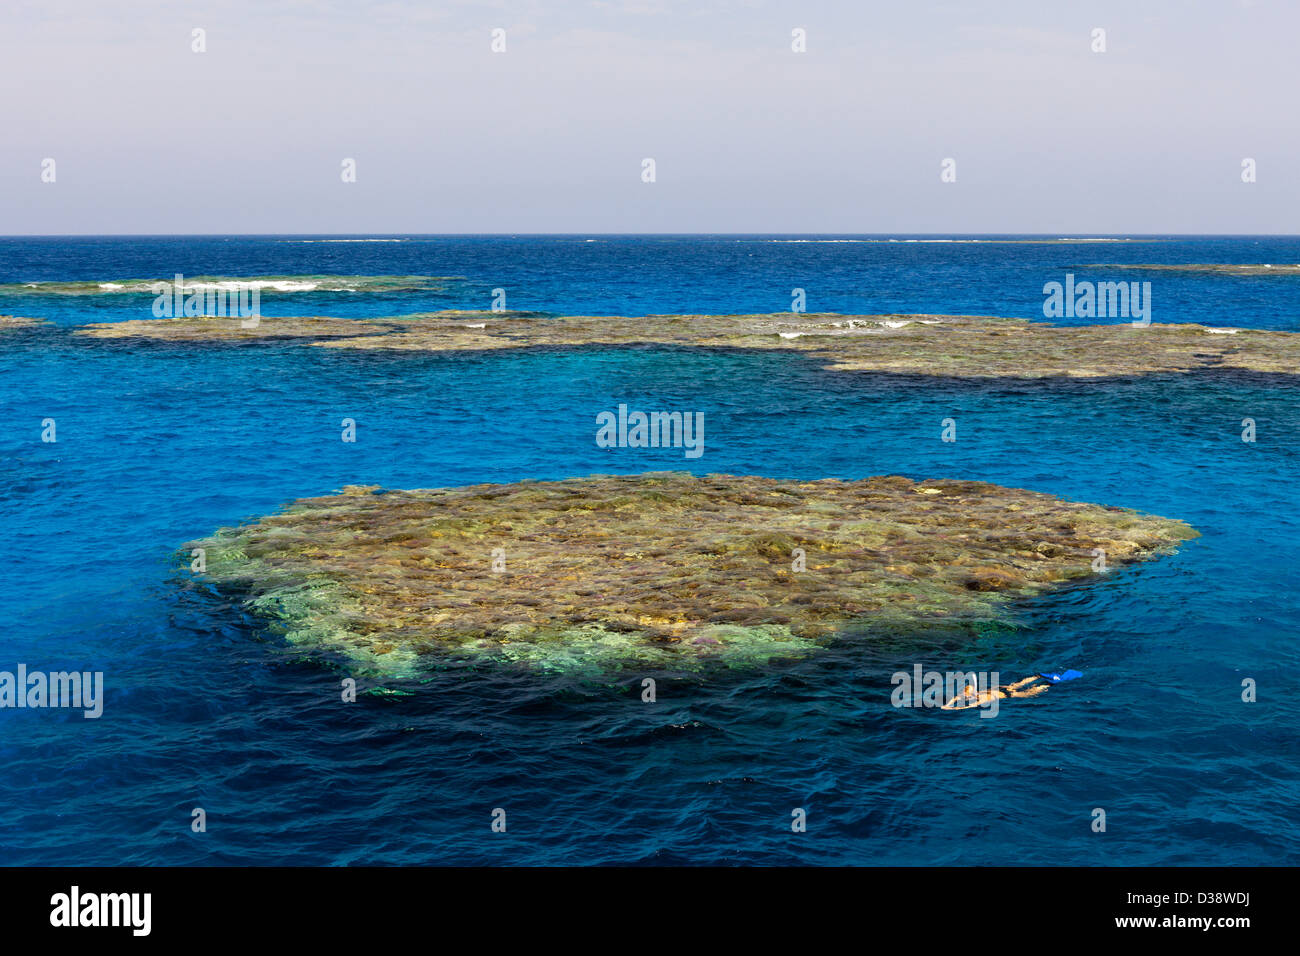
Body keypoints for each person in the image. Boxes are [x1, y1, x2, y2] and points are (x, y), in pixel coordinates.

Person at [940, 671, 1081, 710]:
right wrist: (950, 703)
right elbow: (958, 697)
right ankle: (1038, 675)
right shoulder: (977, 693)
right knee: (1019, 683)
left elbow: (966, 706)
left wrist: (949, 708)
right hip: (1002, 688)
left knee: (1031, 693)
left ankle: (1050, 683)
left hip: (1009, 695)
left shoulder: (980, 699)